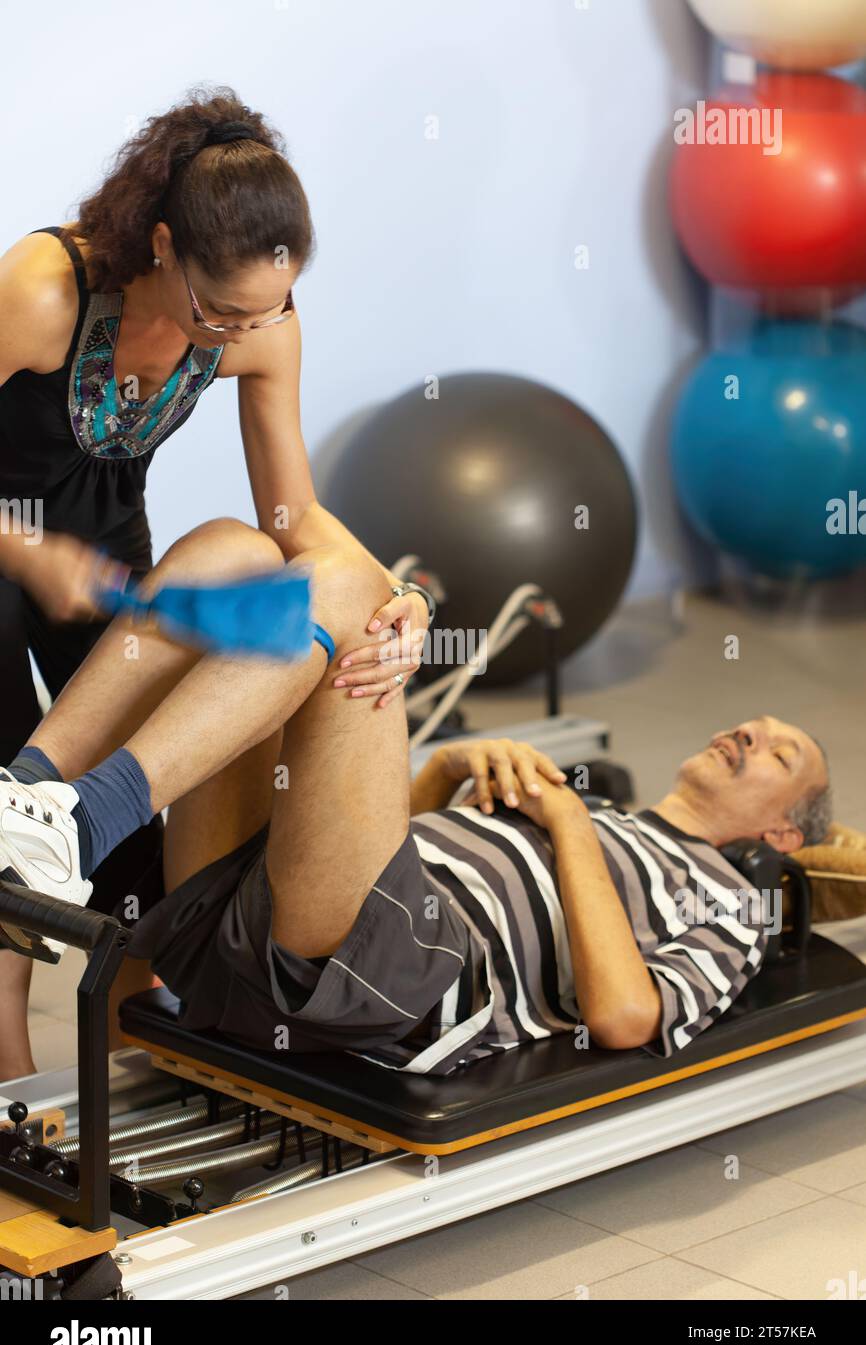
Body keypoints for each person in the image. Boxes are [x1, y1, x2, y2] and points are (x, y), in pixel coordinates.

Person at [0, 521, 832, 1080]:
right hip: (262, 921)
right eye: (750, 725)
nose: (746, 735)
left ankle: (83, 821)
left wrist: (569, 823)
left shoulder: (732, 901)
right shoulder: (614, 820)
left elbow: (623, 1017)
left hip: (390, 978)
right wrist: (446, 775)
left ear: (781, 832)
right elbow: (364, 839)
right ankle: (36, 798)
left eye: (777, 750)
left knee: (348, 593)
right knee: (234, 551)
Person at [0, 88, 432, 1065]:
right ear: (161, 246)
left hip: (104, 548)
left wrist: (396, 593)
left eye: (267, 309)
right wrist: (24, 550)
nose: (246, 334)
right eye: (221, 312)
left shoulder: (263, 323)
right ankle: (15, 1126)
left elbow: (291, 517)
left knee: (121, 859)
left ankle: (119, 1102)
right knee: (7, 903)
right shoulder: (41, 290)